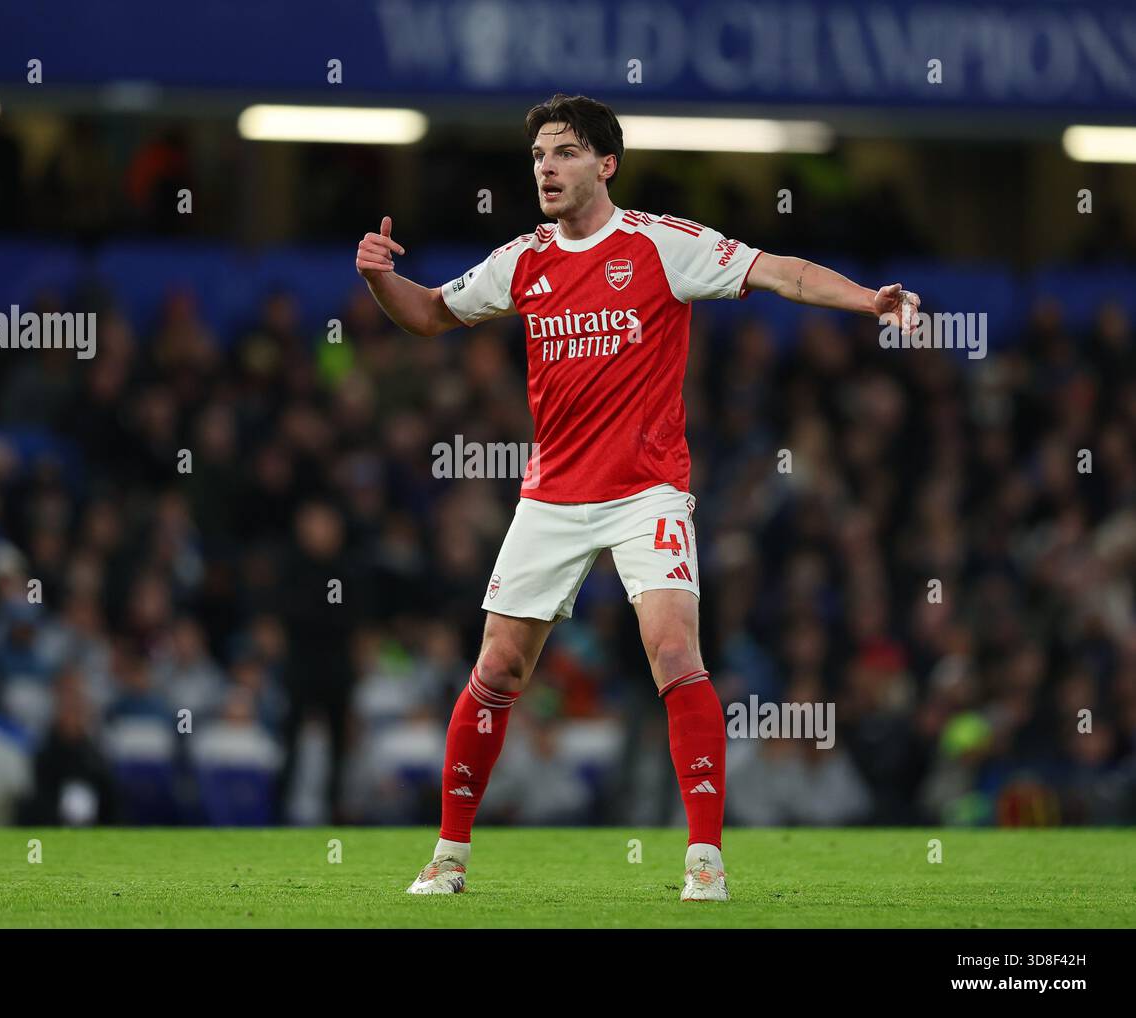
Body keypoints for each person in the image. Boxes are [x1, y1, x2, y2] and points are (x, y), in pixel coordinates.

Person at [354, 92, 921, 902]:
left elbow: (780, 272)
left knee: (674, 655)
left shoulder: (662, 245)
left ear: (604, 163)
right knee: (498, 670)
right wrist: (381, 279)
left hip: (647, 492)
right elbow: (429, 313)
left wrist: (871, 299)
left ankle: (704, 863)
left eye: (564, 153)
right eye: (539, 156)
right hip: (551, 497)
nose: (546, 168)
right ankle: (447, 858)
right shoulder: (522, 260)